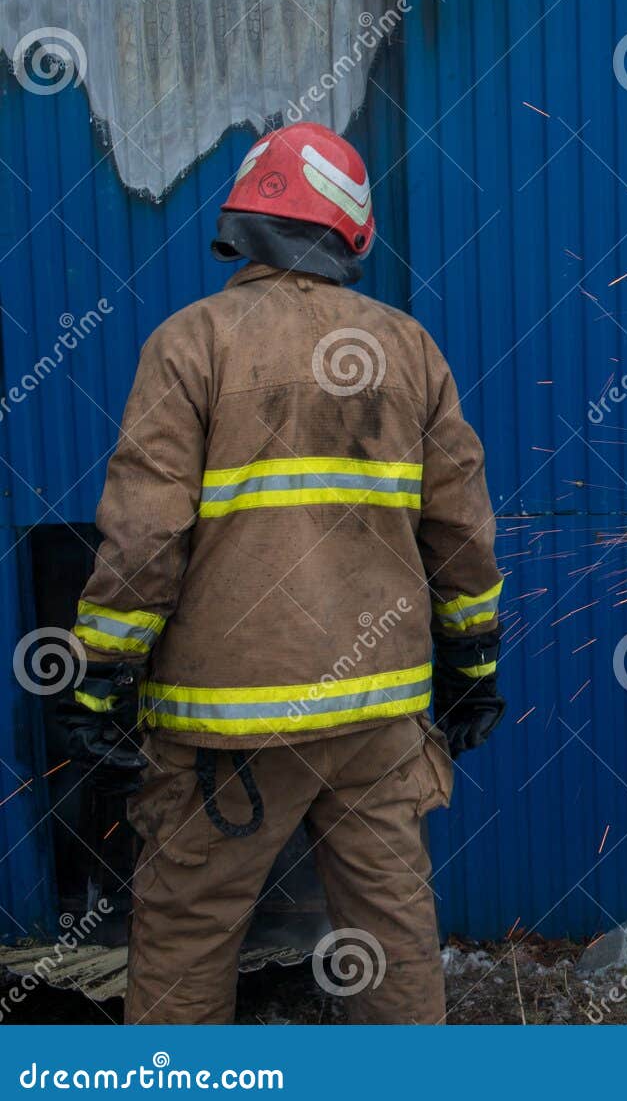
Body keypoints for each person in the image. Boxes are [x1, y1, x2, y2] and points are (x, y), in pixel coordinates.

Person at [57, 122, 506, 1023]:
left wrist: (98, 677)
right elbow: (461, 533)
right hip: (380, 718)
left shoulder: (191, 344)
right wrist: (474, 668)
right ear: (352, 231)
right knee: (392, 941)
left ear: (242, 224)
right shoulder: (408, 349)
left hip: (227, 730)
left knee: (187, 941)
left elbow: (146, 537)